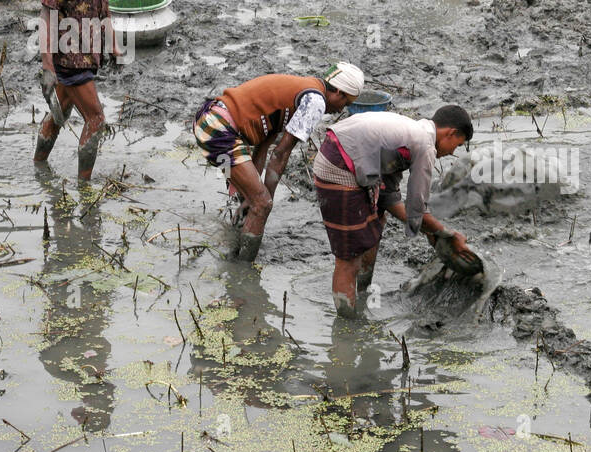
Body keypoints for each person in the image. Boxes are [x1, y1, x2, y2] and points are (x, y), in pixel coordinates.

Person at [313, 104, 474, 316]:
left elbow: (389, 196)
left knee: (377, 222)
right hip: (339, 166)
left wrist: (430, 231)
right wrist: (447, 234)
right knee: (348, 257)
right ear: (450, 133)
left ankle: (362, 293)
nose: (453, 152)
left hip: (346, 156)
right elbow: (418, 211)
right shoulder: (425, 146)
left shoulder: (411, 134)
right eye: (457, 144)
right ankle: (348, 330)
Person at [193, 64, 363, 260]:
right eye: (346, 102)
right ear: (339, 92)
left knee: (252, 198)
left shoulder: (300, 89)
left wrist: (254, 197)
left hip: (209, 122)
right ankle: (243, 272)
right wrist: (265, 202)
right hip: (219, 131)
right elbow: (281, 154)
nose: (342, 109)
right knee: (261, 202)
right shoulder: (316, 102)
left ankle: (235, 247)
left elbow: (262, 147)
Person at [34, 0, 118, 180]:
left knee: (60, 116)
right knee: (96, 120)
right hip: (69, 57)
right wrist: (48, 66)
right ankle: (84, 188)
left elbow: (104, 8)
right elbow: (47, 17)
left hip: (90, 51)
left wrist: (113, 44)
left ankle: (39, 167)